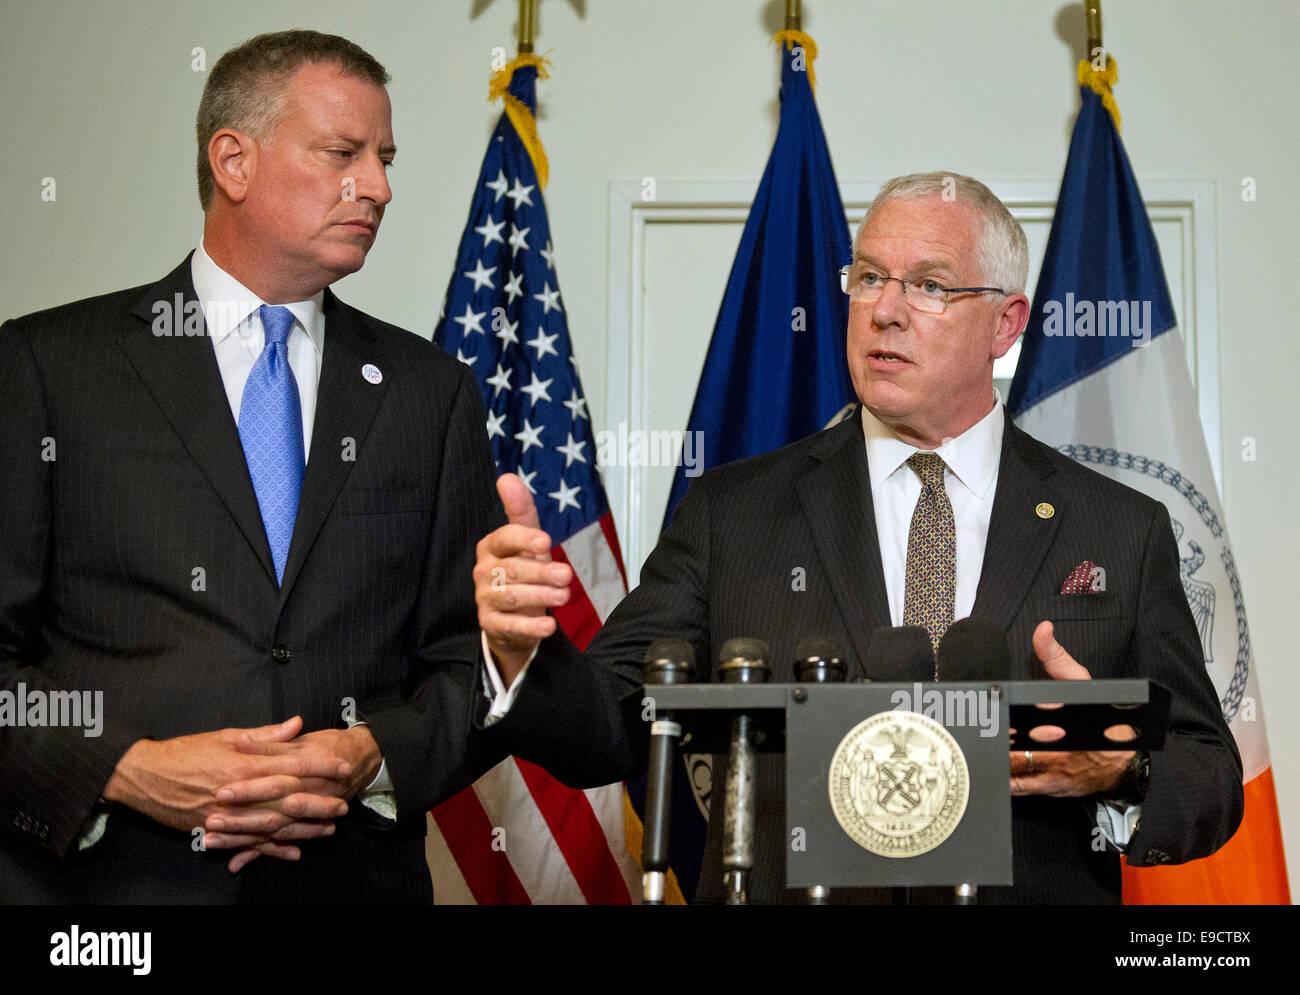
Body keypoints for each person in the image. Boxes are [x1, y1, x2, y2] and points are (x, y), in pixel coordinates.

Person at [473, 173, 1244, 903]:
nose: (886, 310)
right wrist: (523, 656)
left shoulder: (1118, 528)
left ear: (1005, 324)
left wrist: (1119, 767)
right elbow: (607, 726)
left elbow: (1211, 775)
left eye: (931, 285)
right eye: (869, 278)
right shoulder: (731, 513)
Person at [0, 30, 502, 903]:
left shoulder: (432, 391)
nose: (379, 187)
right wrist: (125, 768)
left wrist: (373, 752)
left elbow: (475, 664)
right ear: (233, 160)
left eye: (384, 159)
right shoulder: (48, 368)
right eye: (343, 153)